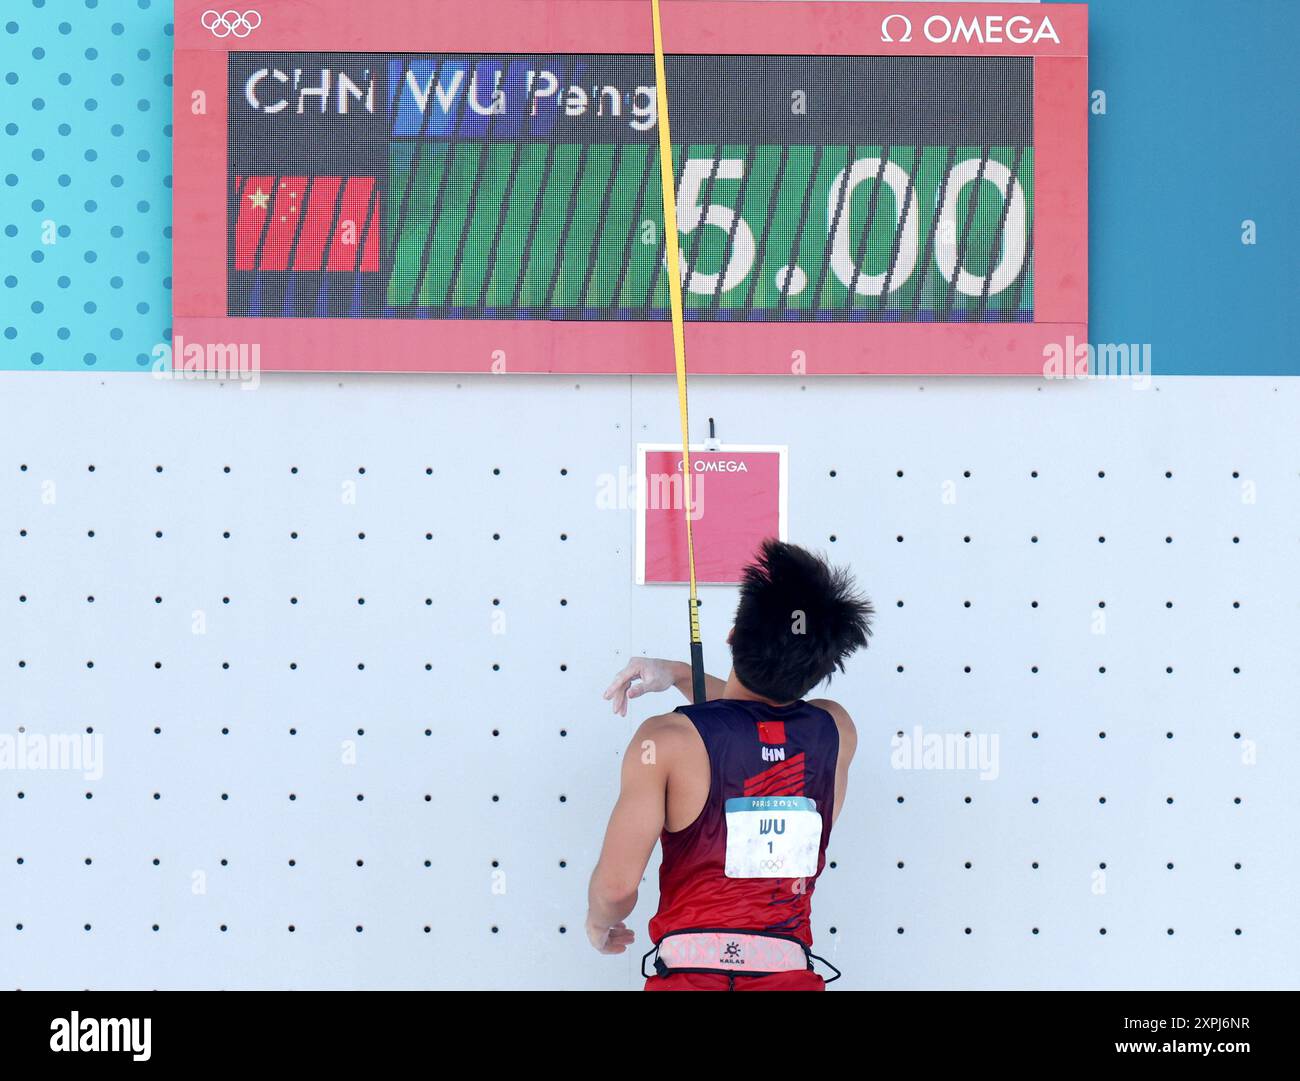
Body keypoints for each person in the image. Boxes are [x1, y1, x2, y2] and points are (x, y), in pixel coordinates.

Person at [586, 538, 873, 990]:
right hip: (788, 974)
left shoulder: (664, 741)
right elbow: (760, 720)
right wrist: (681, 674)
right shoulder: (835, 729)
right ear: (821, 668)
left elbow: (617, 889)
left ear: (733, 636)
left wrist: (598, 923)